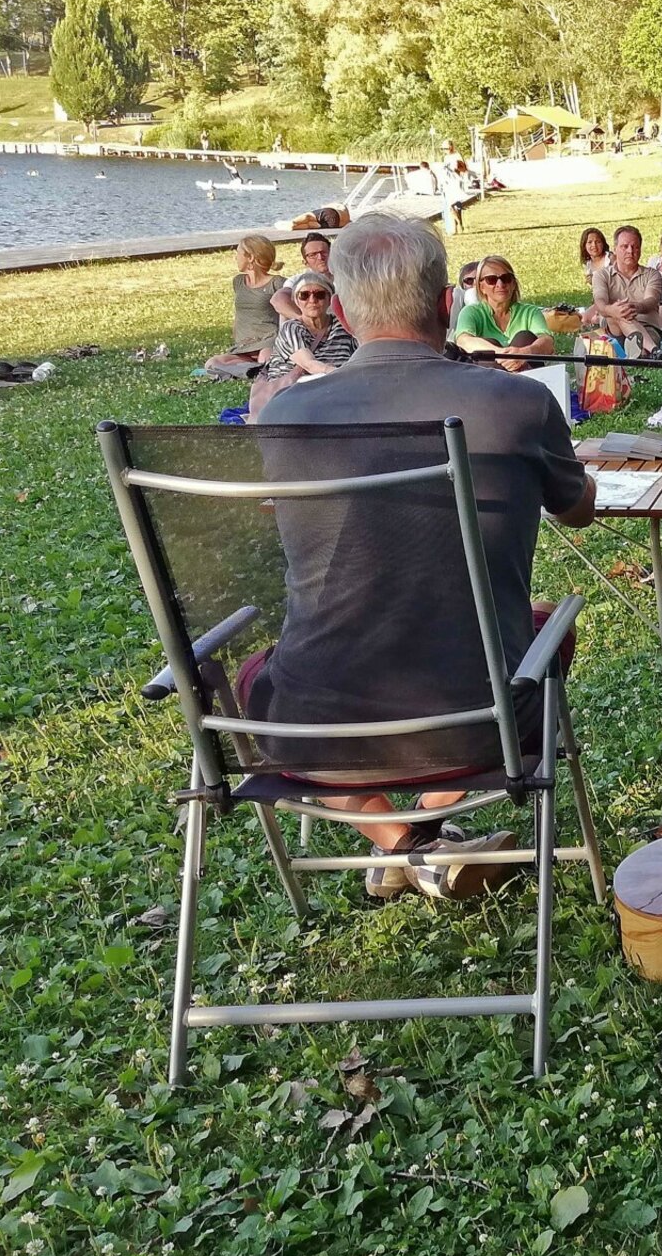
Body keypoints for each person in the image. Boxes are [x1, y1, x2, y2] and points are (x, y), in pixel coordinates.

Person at [255, 213, 597, 899]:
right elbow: (577, 509)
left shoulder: (284, 415)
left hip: (306, 730)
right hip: (484, 725)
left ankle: (402, 847)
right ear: (448, 304)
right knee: (547, 630)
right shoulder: (518, 402)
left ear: (345, 309)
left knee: (257, 675)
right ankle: (426, 841)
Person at [252, 271, 358, 419]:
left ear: (329, 300)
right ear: (296, 301)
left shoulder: (343, 326)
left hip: (335, 390)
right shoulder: (292, 328)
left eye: (319, 295)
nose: (312, 300)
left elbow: (361, 354)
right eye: (304, 295)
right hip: (293, 394)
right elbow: (309, 364)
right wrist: (343, 375)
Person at [453, 257, 558, 371]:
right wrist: (501, 354)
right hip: (490, 381)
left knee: (524, 337)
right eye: (491, 280)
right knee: (487, 349)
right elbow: (463, 341)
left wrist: (524, 353)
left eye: (506, 278)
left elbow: (548, 342)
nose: (500, 284)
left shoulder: (530, 312)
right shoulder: (471, 312)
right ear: (481, 287)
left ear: (513, 284)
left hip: (526, 376)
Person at [204, 234, 286, 379]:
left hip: (268, 342)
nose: (236, 258)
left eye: (238, 253)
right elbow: (239, 315)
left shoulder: (278, 283)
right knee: (212, 363)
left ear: (251, 258)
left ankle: (248, 371)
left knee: (266, 360)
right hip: (244, 347)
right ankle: (252, 371)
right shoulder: (238, 282)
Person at [590, 224, 662, 351]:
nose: (630, 251)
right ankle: (654, 350)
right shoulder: (601, 275)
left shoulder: (652, 275)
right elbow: (600, 302)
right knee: (618, 314)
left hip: (647, 327)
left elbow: (651, 300)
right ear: (615, 249)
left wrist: (633, 307)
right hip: (614, 328)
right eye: (625, 246)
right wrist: (612, 310)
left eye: (635, 247)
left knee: (641, 352)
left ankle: (644, 350)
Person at [272, 231, 339, 324]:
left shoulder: (346, 279)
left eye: (324, 253)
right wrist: (303, 320)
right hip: (306, 330)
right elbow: (277, 300)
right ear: (305, 262)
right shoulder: (297, 280)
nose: (320, 257)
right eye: (313, 255)